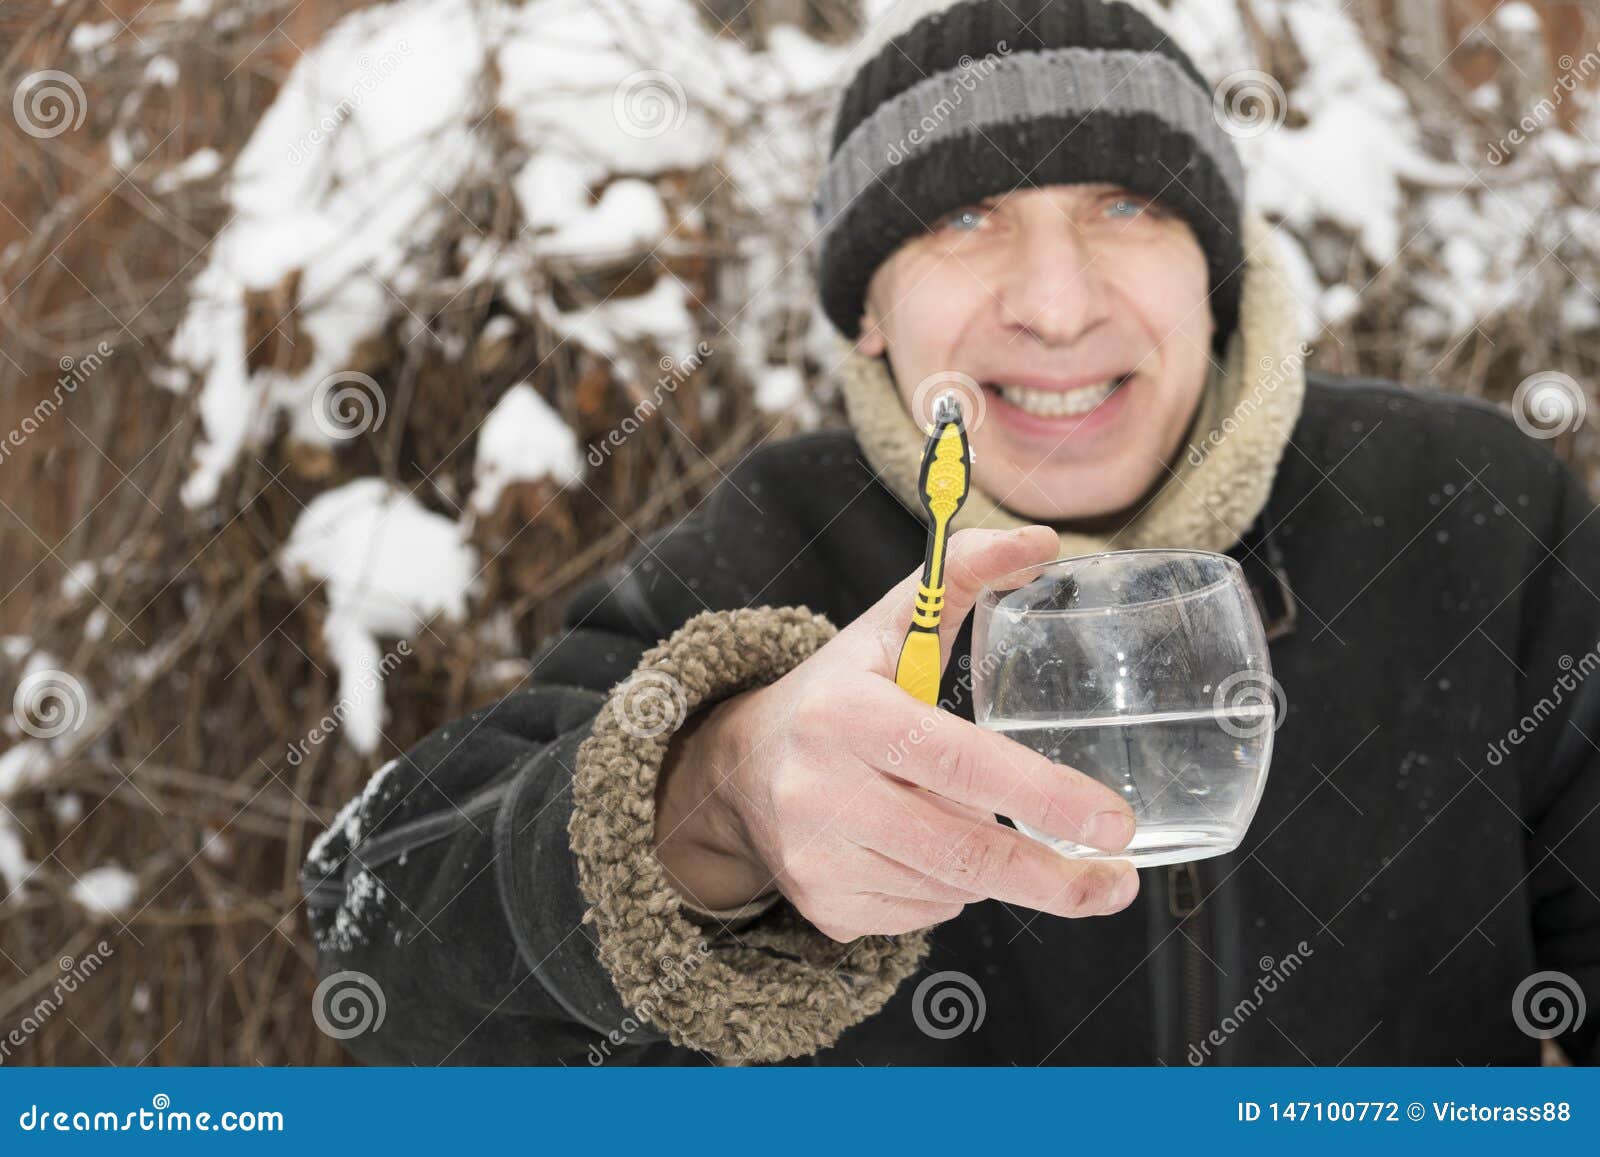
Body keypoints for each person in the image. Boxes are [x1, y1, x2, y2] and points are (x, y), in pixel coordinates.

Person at [301, 0, 1600, 1065]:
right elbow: (380, 941)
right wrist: (716, 799)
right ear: (866, 311)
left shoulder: (1468, 508)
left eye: (1127, 206)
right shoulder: (768, 546)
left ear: (1215, 268)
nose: (1053, 304)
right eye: (961, 219)